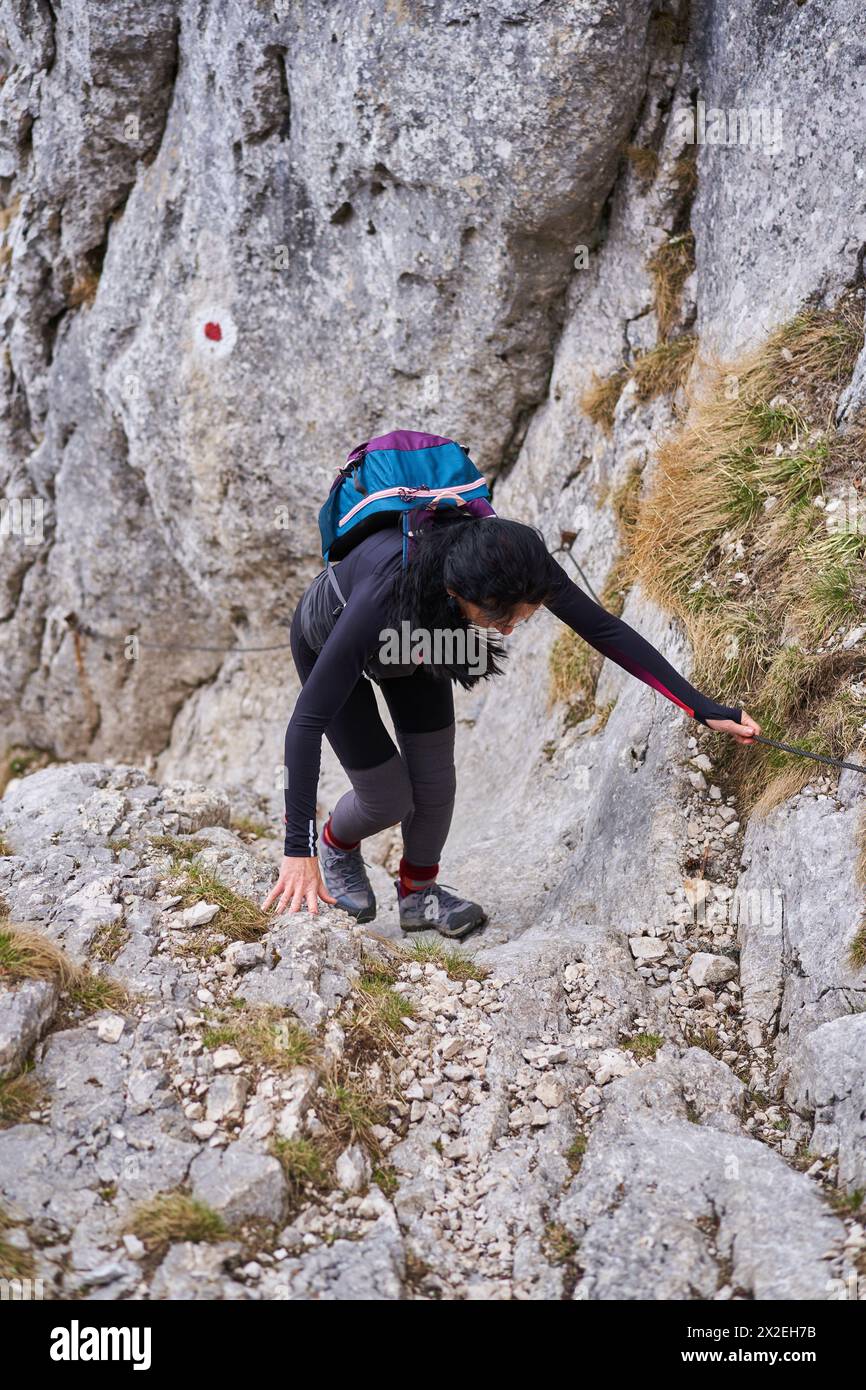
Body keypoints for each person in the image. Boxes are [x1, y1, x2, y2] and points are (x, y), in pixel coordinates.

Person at [263, 510, 760, 937]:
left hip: (419, 640)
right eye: (499, 618)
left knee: (435, 785)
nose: (507, 628)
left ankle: (419, 895)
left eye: (522, 618)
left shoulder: (522, 565)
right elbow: (304, 726)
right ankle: (337, 845)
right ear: (459, 591)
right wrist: (298, 848)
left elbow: (604, 629)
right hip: (335, 634)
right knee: (388, 797)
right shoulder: (382, 590)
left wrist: (700, 706)